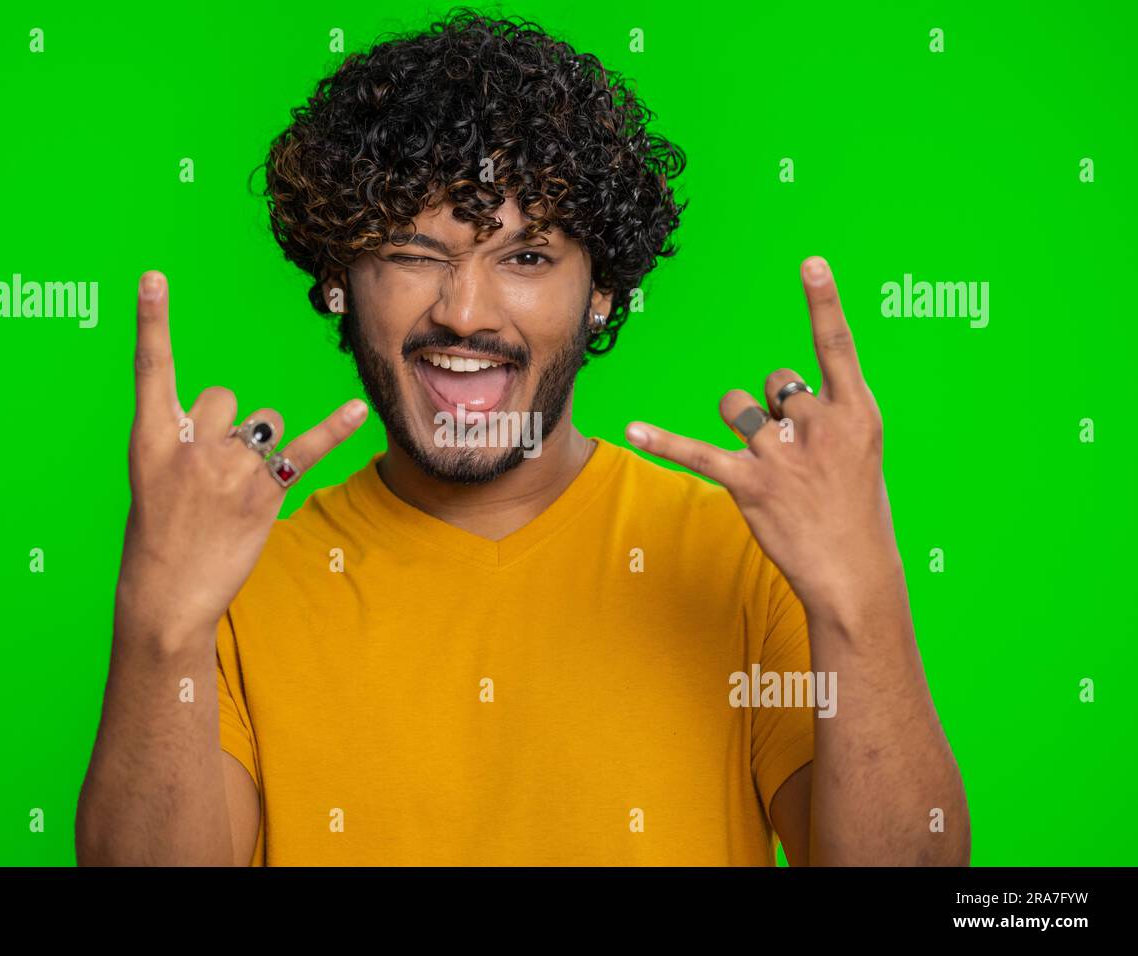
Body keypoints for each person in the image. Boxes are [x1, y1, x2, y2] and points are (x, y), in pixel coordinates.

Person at [75, 9, 969, 867]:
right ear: (339, 280)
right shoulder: (235, 576)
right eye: (412, 253)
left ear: (603, 291)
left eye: (528, 257)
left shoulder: (746, 559)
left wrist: (862, 592)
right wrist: (159, 618)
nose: (463, 312)